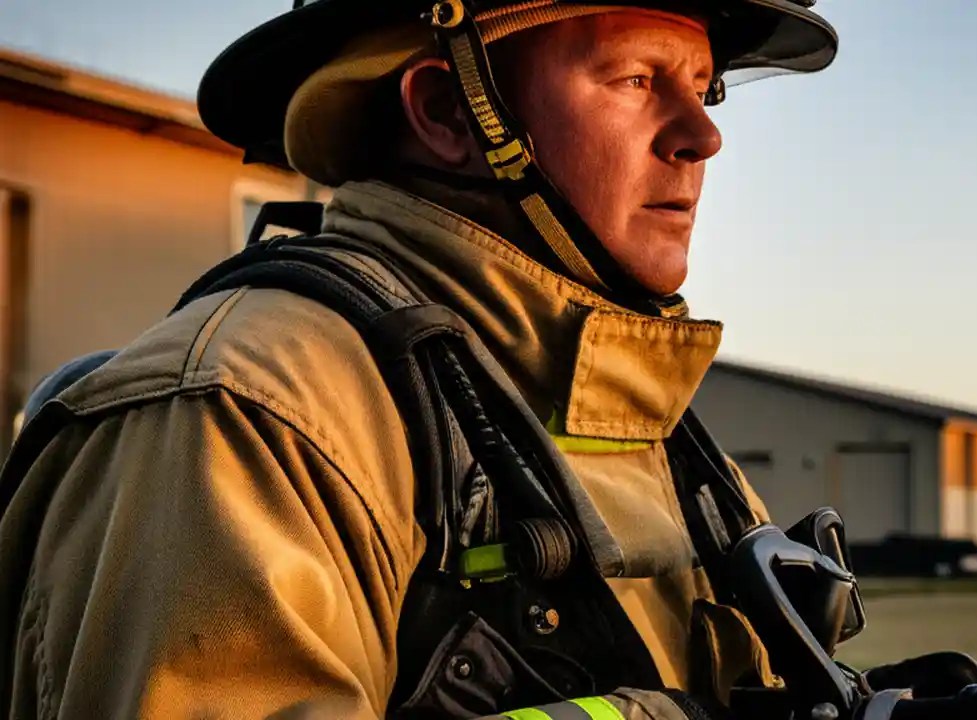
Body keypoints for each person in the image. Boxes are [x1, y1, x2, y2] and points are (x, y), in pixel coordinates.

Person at [0, 1, 843, 718]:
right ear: (447, 110)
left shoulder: (670, 444)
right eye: (634, 80)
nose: (703, 136)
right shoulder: (249, 411)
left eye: (702, 88)